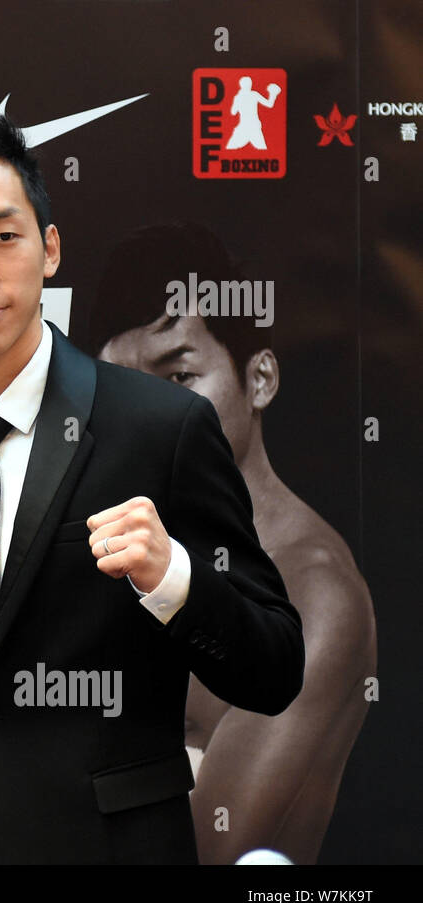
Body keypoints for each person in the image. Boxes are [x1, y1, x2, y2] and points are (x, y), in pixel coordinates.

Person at [0, 108, 304, 864]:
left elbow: (274, 668)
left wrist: (173, 577)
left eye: (4, 236)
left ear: (48, 249)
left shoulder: (160, 428)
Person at [90, 223, 376, 864]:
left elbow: (208, 855)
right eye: (121, 388)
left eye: (179, 377)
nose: (145, 417)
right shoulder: (104, 544)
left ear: (261, 379)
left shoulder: (315, 592)